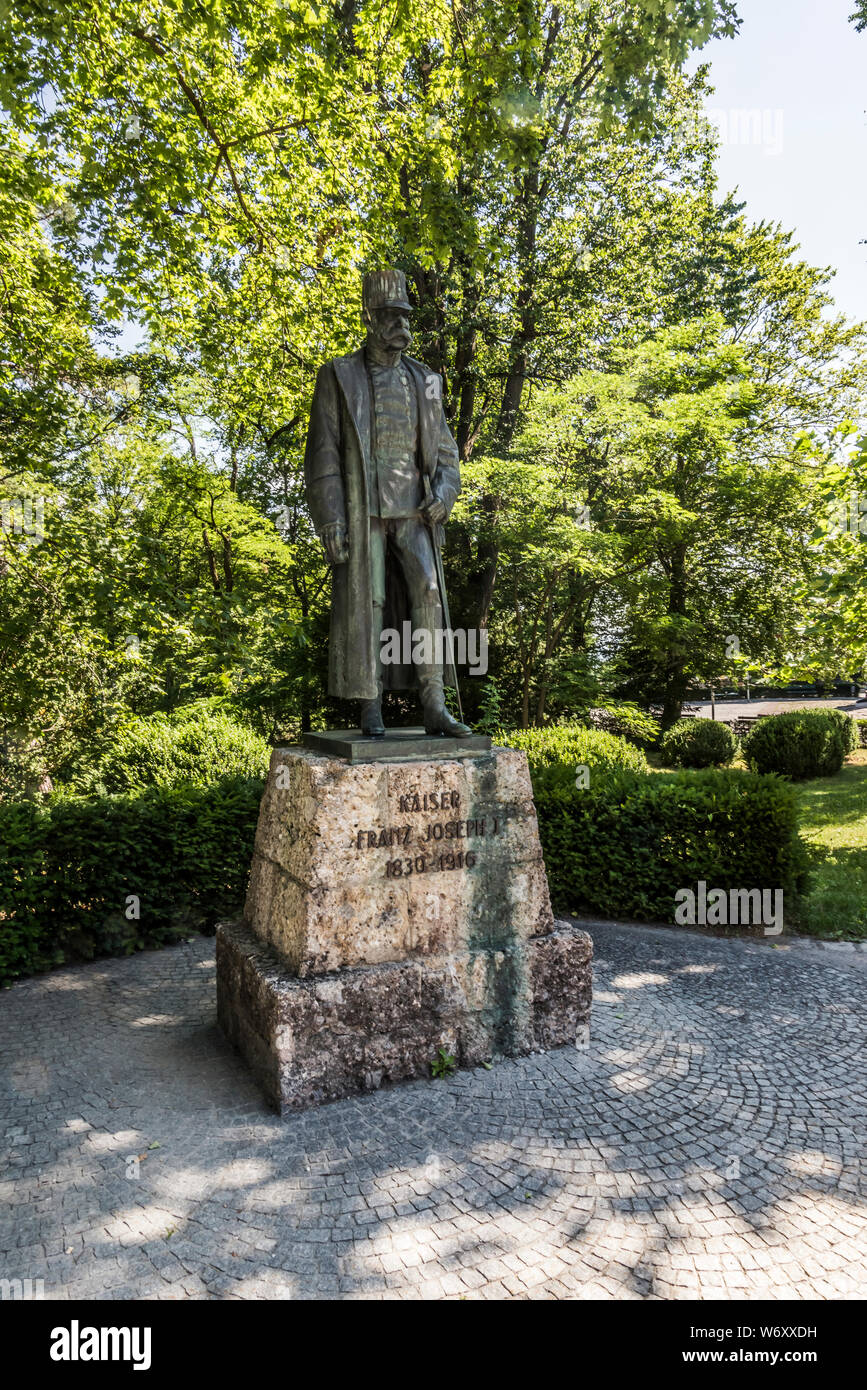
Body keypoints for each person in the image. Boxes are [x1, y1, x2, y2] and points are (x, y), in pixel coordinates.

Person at [304, 268, 472, 738]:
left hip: (416, 509)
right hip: (363, 510)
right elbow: (323, 456)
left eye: (405, 315)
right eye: (392, 315)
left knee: (429, 593)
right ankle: (370, 703)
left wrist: (444, 493)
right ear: (371, 317)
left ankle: (434, 704)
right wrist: (331, 519)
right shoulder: (339, 375)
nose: (402, 324)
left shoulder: (427, 380)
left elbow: (444, 451)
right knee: (369, 601)